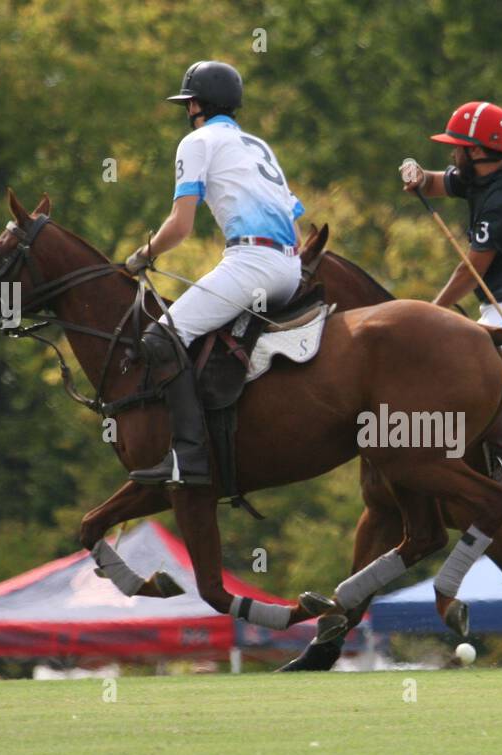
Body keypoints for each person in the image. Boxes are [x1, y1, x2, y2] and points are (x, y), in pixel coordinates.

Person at [124, 60, 306, 485]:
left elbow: (181, 226)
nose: (187, 112)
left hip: (251, 264)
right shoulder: (258, 144)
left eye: (188, 104)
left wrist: (141, 256)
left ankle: (188, 455)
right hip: (291, 266)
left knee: (161, 337)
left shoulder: (197, 142)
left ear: (197, 106)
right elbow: (295, 220)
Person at [399, 101, 502, 491]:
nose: (452, 153)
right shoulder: (483, 176)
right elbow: (437, 182)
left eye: (457, 146)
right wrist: (418, 176)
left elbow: (470, 271)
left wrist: (430, 315)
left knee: (470, 372)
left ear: (477, 150)